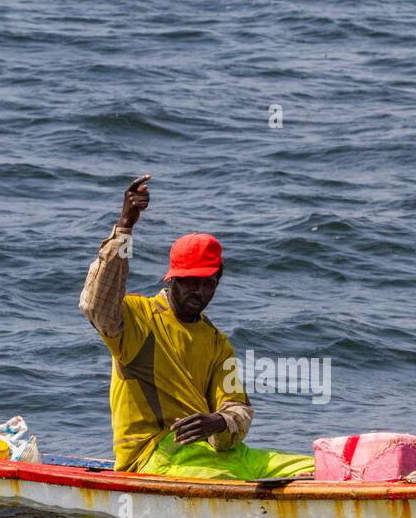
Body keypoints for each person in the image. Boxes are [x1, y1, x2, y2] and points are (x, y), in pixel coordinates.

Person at [79, 174, 314, 480]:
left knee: (314, 467)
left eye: (207, 283)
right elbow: (95, 303)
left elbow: (238, 408)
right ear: (171, 278)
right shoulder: (136, 318)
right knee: (231, 482)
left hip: (218, 453)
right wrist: (125, 225)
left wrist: (220, 421)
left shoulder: (217, 343)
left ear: (217, 282)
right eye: (189, 281)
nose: (198, 291)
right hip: (154, 457)